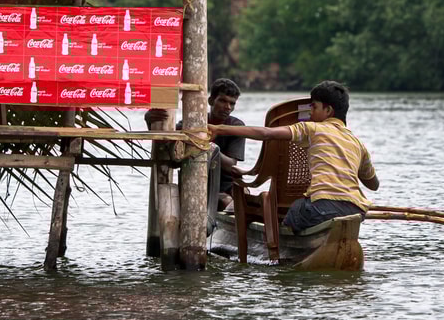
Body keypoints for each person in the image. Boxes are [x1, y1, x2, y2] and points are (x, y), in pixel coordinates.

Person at [208, 81, 379, 233]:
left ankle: (286, 250)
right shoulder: (358, 143)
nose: (310, 112)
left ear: (328, 110)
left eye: (313, 107)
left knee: (295, 210)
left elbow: (266, 133)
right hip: (357, 209)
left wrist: (218, 129)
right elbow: (373, 185)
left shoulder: (311, 128)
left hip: (323, 206)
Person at [144, 78, 246, 211]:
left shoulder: (236, 126)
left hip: (228, 185)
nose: (227, 107)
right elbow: (165, 138)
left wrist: (205, 144)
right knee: (225, 201)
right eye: (222, 101)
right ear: (210, 101)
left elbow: (230, 164)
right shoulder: (193, 124)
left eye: (232, 103)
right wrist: (150, 120)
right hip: (197, 184)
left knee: (244, 198)